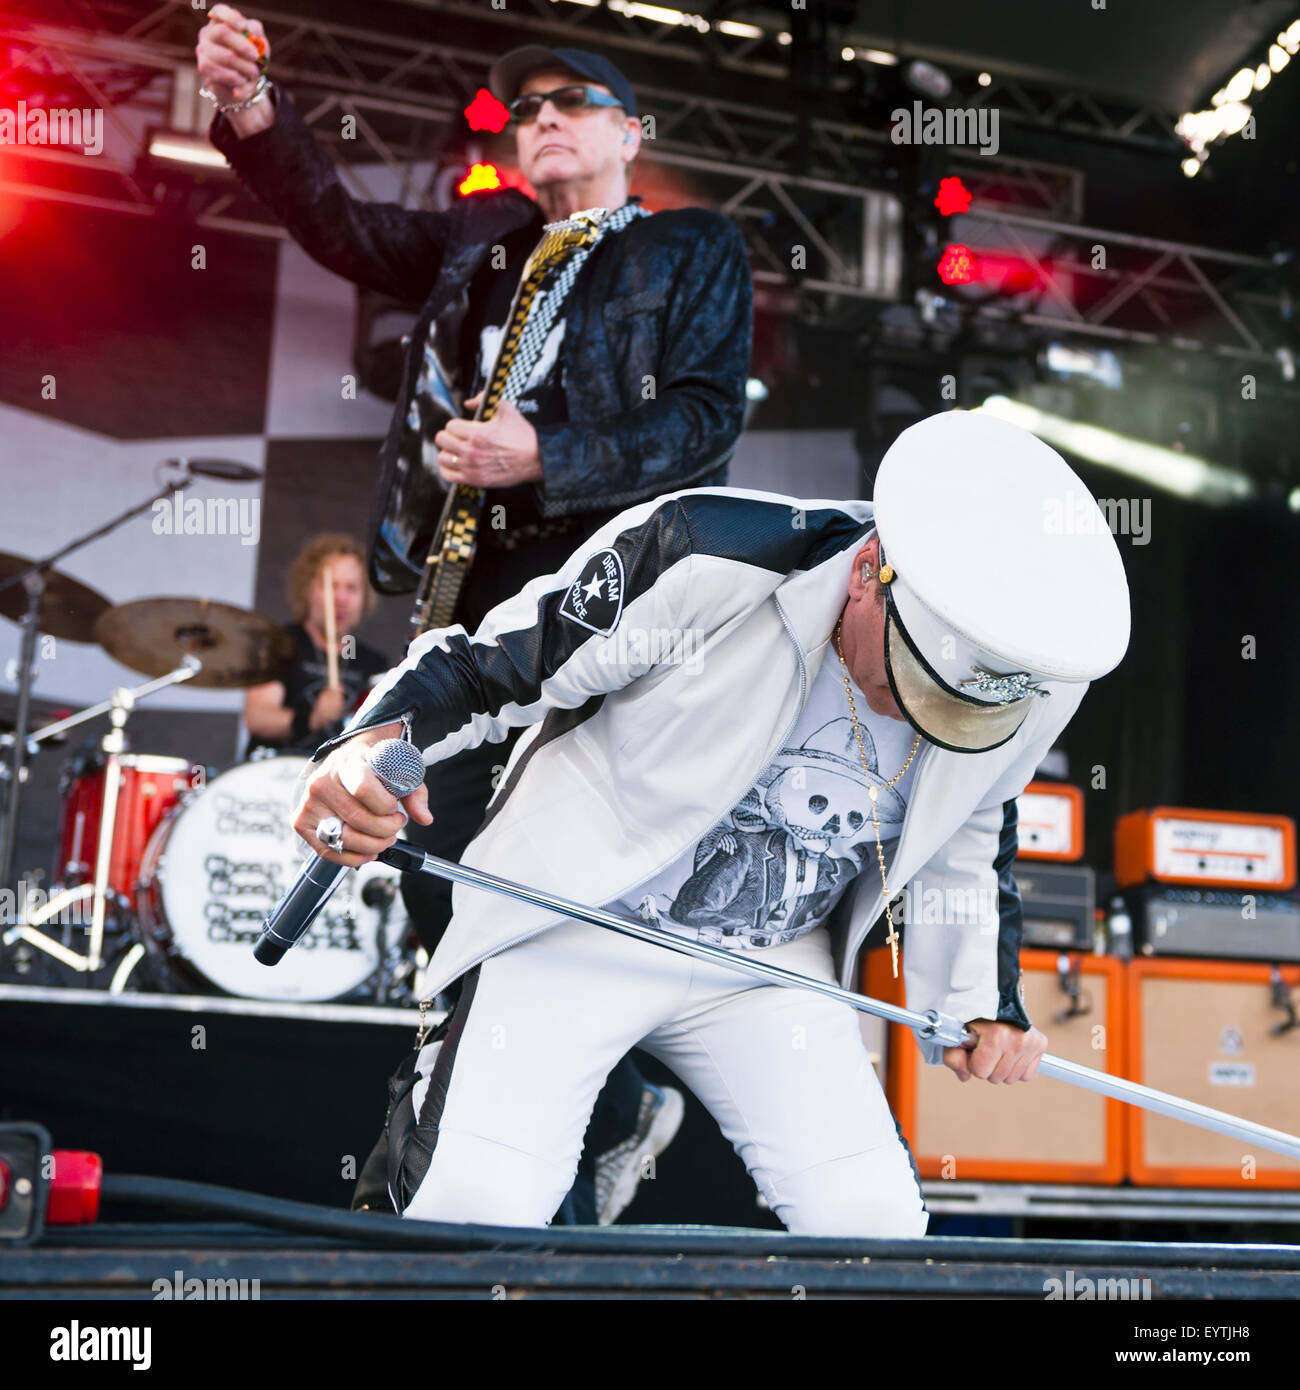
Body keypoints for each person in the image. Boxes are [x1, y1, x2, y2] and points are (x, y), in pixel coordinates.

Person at [289, 410, 1132, 1234]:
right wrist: (366, 747)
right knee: (478, 1208)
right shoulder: (702, 550)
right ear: (871, 568)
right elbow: (487, 668)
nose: (920, 718)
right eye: (913, 680)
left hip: (771, 966)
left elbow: (974, 825)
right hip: (576, 917)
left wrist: (981, 1000)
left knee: (870, 1225)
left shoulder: (1041, 671)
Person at [197, 15, 752, 1218]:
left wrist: (545, 452)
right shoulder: (480, 240)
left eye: (570, 101)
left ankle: (566, 1130)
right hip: (462, 591)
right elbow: (342, 228)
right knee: (437, 864)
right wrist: (253, 110)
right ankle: (502, 1149)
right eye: (524, 107)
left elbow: (704, 421)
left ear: (628, 132)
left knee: (558, 874)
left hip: (605, 602)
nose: (539, 118)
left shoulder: (689, 249)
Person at [244, 534, 389, 759]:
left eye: (351, 588)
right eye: (331, 586)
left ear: (364, 598)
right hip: (275, 773)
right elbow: (258, 717)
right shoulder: (281, 643)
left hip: (338, 782)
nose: (341, 598)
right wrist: (309, 719)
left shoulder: (374, 664)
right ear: (308, 589)